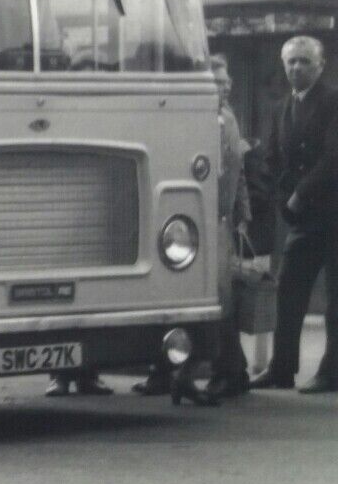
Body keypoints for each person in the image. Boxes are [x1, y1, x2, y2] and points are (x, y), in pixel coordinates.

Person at [133, 54, 252, 401]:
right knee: (198, 300)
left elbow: (237, 170)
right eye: (218, 81)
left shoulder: (228, 118)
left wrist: (243, 213)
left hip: (219, 222)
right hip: (190, 226)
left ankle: (222, 372)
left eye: (227, 81)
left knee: (220, 302)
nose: (226, 86)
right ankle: (197, 372)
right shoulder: (190, 119)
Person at [249, 35, 338, 392]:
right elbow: (273, 158)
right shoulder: (282, 107)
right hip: (302, 219)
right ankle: (282, 368)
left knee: (336, 299)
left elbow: (334, 157)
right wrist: (279, 197)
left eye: (304, 61)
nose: (296, 68)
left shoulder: (333, 101)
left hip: (333, 214)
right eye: (291, 62)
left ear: (321, 65)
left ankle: (332, 373)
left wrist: (300, 194)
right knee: (288, 293)